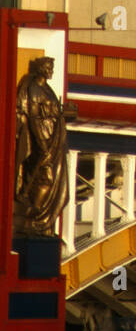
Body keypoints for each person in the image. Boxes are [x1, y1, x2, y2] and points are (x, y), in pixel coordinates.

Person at [14, 56, 70, 236]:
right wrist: (42, 145)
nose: (50, 70)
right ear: (39, 69)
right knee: (46, 177)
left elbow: (51, 113)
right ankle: (35, 215)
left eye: (51, 67)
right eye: (47, 67)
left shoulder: (47, 89)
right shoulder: (35, 89)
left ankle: (36, 216)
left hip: (53, 138)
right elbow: (34, 120)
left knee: (50, 177)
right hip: (44, 140)